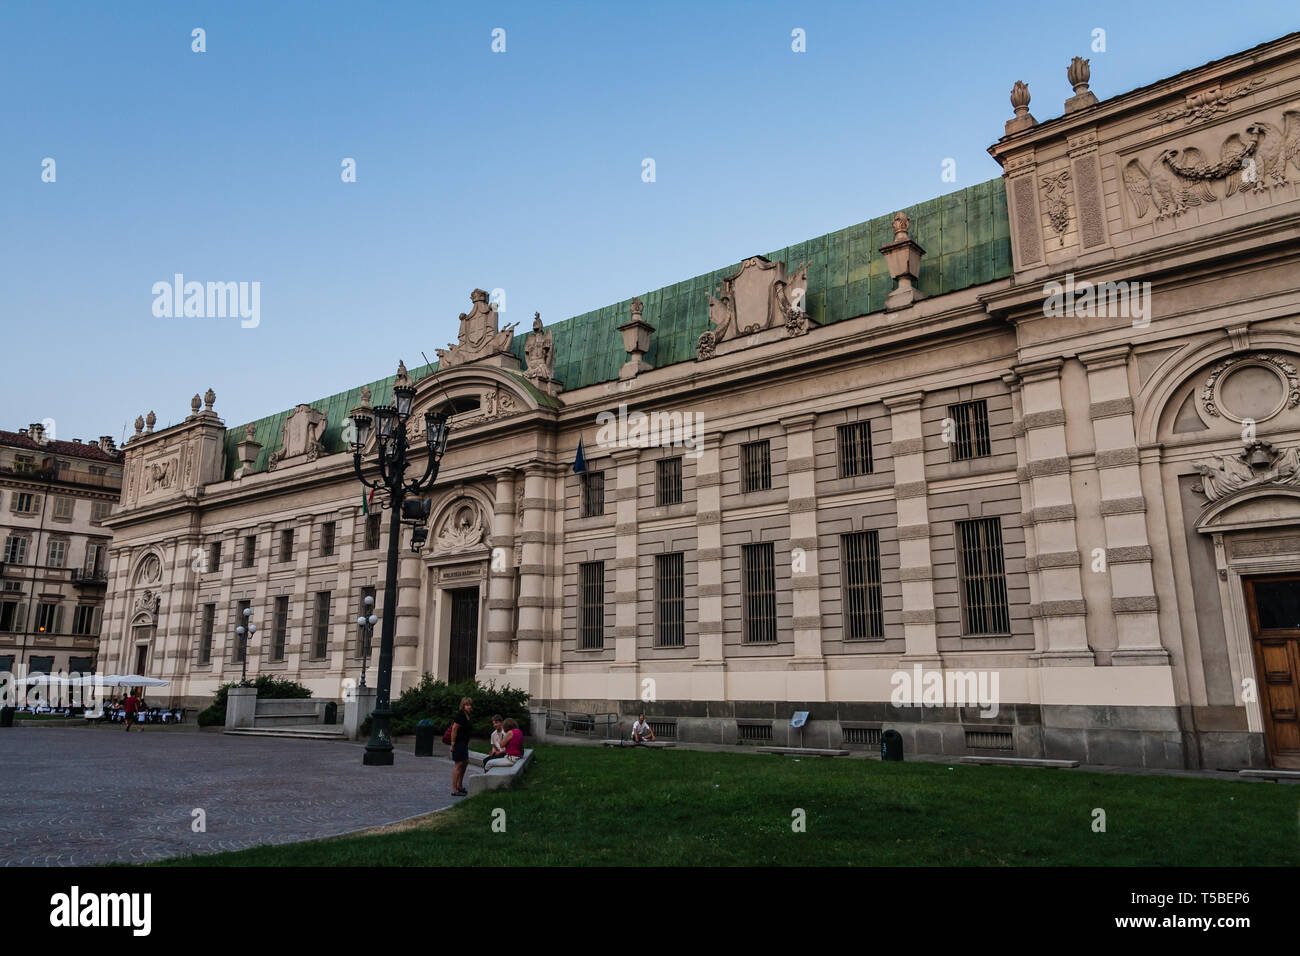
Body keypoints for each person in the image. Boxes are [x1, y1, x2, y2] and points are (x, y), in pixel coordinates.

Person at [448, 697, 473, 796]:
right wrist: (453, 743)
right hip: (458, 743)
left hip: (464, 743)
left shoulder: (467, 715)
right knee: (458, 764)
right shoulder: (460, 715)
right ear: (463, 706)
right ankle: (454, 789)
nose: (469, 706)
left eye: (470, 705)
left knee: (465, 762)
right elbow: (454, 729)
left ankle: (459, 785)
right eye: (467, 705)